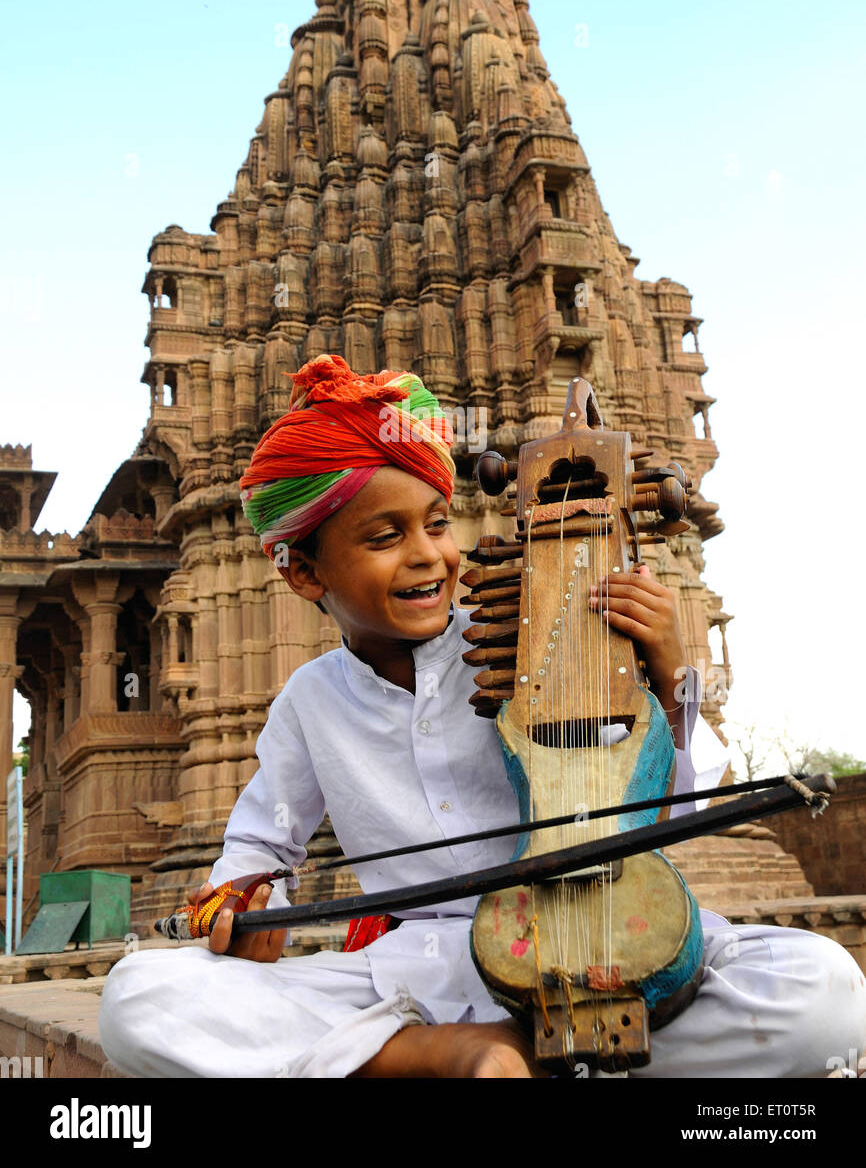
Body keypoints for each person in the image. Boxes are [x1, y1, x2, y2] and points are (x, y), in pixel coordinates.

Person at [99, 355, 866, 1078]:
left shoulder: (542, 635)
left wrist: (670, 675)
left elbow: (685, 801)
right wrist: (249, 908)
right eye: (384, 537)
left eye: (436, 524)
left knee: (822, 990)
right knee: (141, 997)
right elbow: (258, 851)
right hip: (422, 973)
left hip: (603, 943)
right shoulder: (309, 702)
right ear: (303, 571)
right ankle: (452, 1055)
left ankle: (474, 1059)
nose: (429, 555)